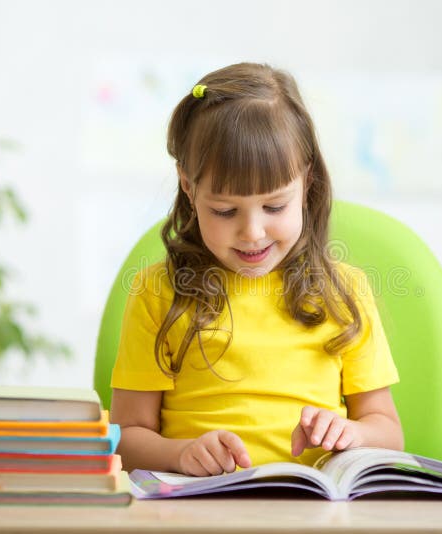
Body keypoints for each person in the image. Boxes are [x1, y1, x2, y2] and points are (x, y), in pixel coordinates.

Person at [110, 62, 402, 476]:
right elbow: (127, 436)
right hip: (197, 501)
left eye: (274, 206)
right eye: (225, 210)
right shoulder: (158, 291)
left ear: (307, 182)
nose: (252, 232)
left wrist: (352, 433)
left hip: (314, 502)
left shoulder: (345, 291)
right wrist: (181, 454)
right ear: (188, 187)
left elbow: (387, 431)